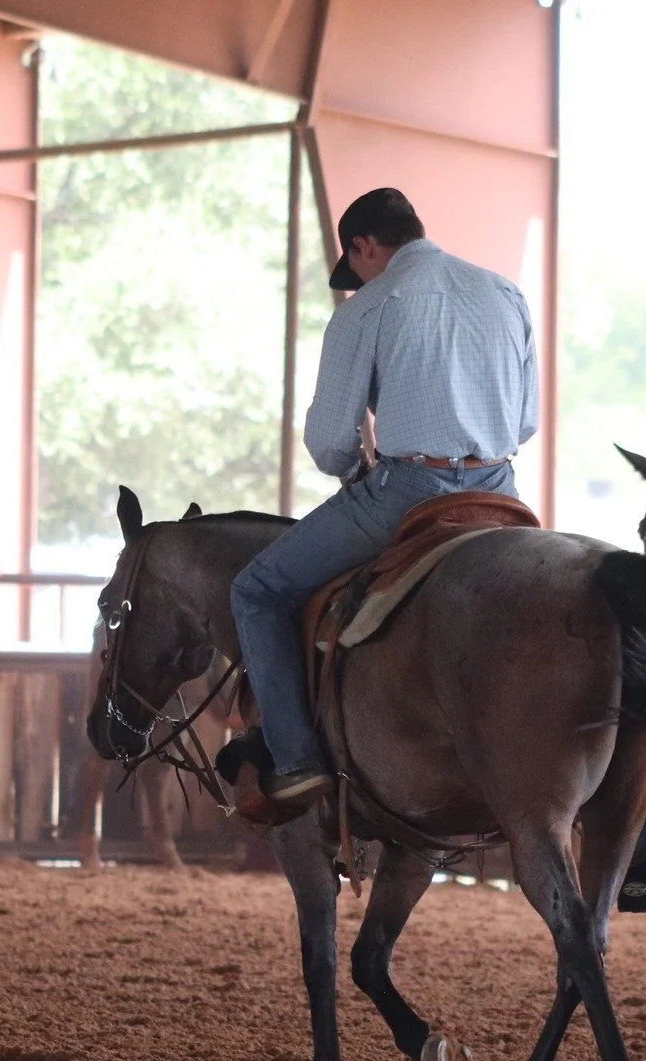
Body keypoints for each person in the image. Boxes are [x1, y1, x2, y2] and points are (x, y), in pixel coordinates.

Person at [229, 187, 539, 806]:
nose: (358, 275)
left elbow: (328, 444)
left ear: (365, 246)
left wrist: (354, 464)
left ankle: (295, 761)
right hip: (501, 491)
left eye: (357, 262)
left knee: (256, 591)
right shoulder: (505, 292)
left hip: (410, 491)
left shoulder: (368, 308)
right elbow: (525, 420)